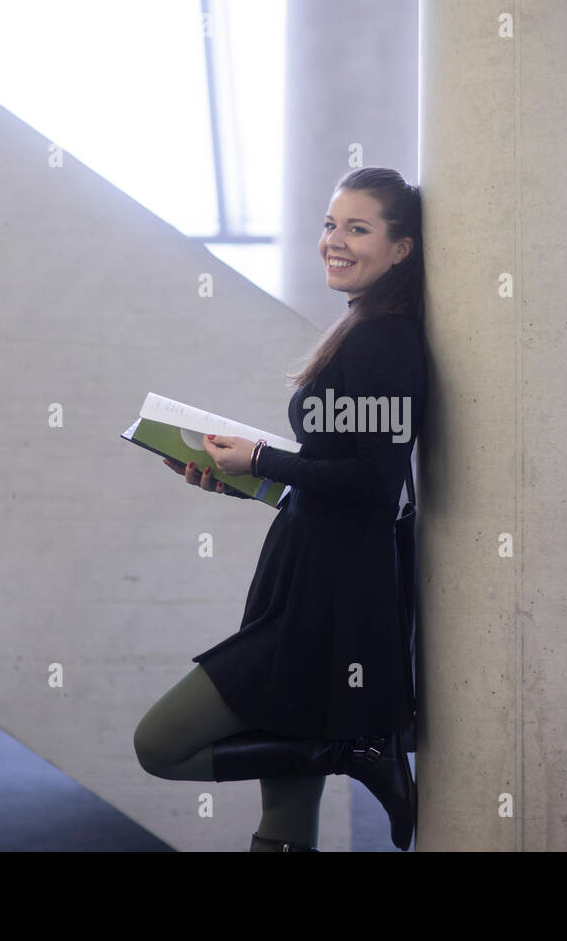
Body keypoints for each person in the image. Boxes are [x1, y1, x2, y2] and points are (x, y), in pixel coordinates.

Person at [133, 167, 427, 851]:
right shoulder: (361, 327)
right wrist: (239, 477)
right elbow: (333, 468)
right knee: (286, 824)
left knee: (160, 744)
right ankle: (337, 746)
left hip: (326, 600)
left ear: (401, 249)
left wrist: (262, 461)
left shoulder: (385, 339)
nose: (335, 240)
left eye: (358, 228)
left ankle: (344, 749)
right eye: (330, 224)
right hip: (302, 576)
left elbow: (377, 484)